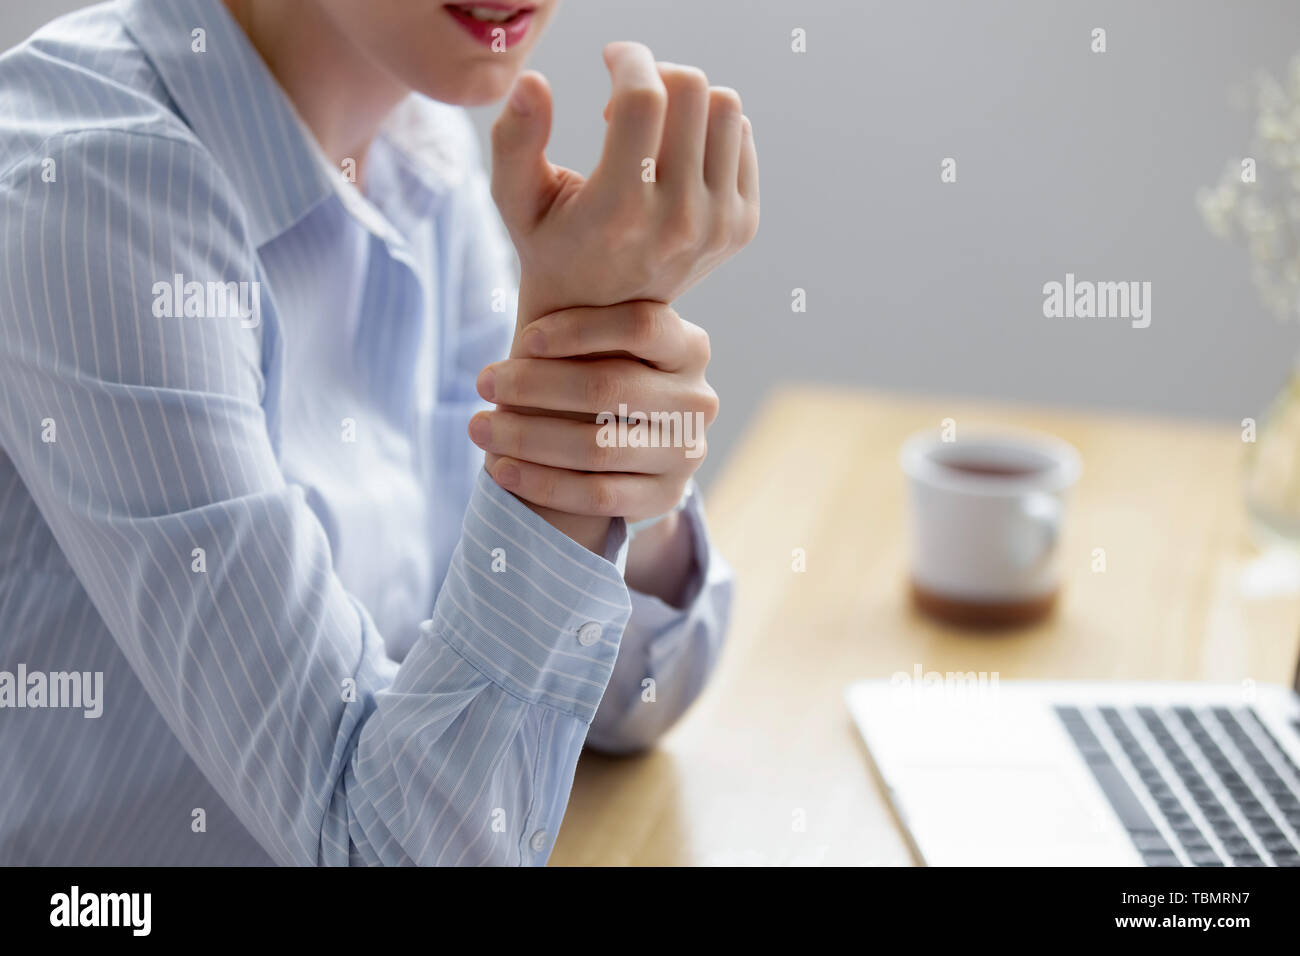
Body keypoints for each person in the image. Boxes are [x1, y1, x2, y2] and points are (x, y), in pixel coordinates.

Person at [0, 0, 758, 865]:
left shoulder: (415, 139)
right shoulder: (94, 197)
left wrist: (612, 450)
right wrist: (571, 420)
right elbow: (382, 848)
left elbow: (636, 699)